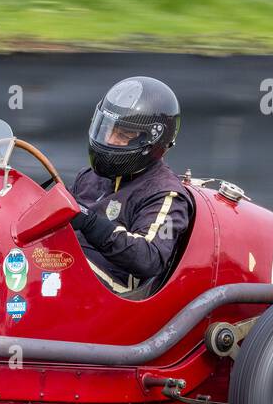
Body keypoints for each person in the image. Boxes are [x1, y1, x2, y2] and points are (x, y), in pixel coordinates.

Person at [69, 76, 190, 295]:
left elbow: (150, 257)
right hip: (62, 267)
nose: (110, 139)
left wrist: (90, 223)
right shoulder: (89, 177)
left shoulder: (165, 194)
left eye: (123, 134)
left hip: (110, 294)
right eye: (106, 129)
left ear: (150, 141)